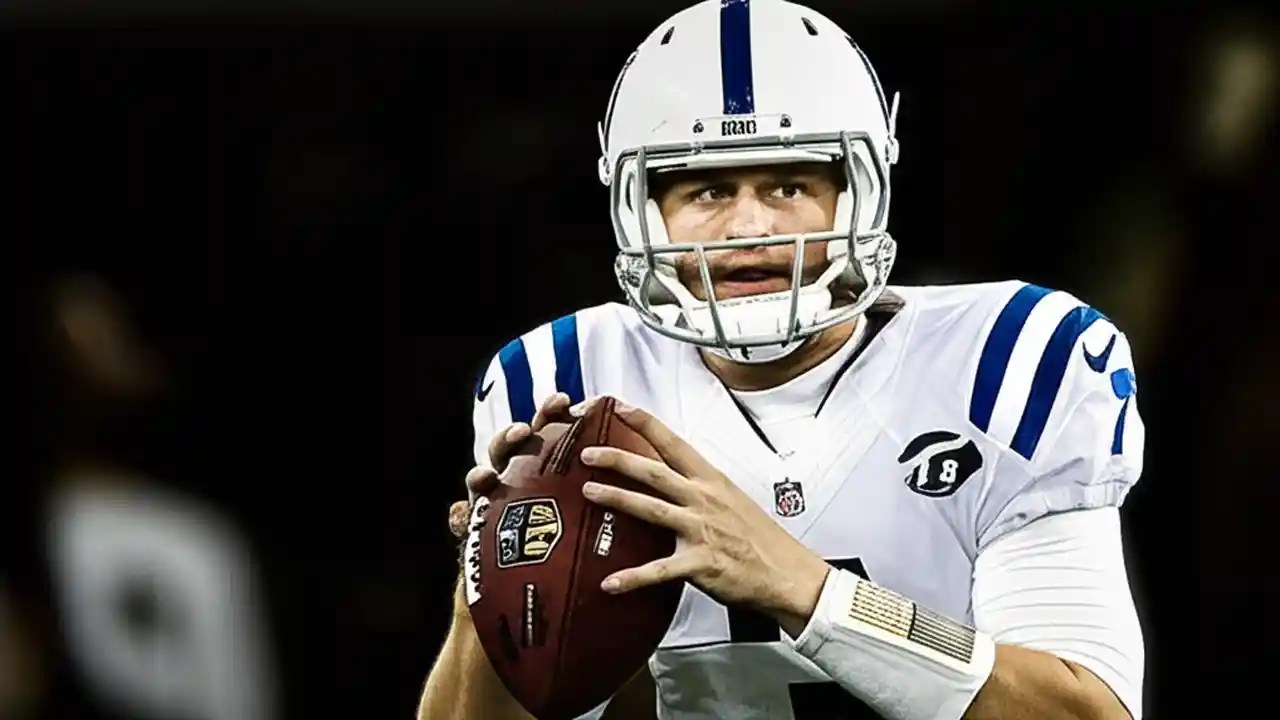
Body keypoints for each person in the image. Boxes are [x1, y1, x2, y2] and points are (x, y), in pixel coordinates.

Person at [419, 1, 1145, 718]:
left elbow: (1084, 713)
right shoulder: (566, 381)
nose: (750, 225)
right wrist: (493, 586)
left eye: (790, 185)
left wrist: (806, 591)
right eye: (707, 189)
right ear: (642, 210)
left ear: (857, 194)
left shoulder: (1011, 362)